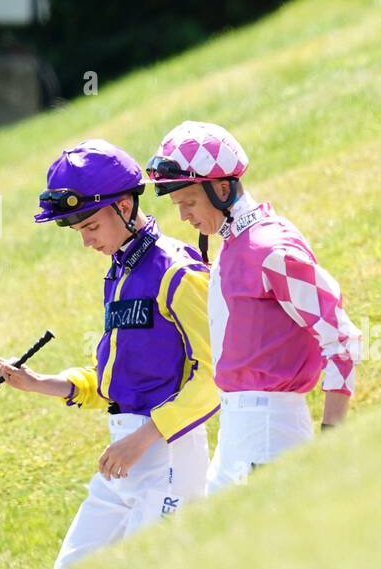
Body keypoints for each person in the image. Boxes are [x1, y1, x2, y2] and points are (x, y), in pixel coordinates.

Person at [0, 139, 218, 569]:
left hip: (167, 456)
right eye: (77, 231)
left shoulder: (179, 272)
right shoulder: (120, 274)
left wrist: (142, 439)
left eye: (89, 226)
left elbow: (215, 377)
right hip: (123, 461)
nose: (86, 241)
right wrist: (39, 382)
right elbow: (116, 381)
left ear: (124, 206)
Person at [145, 121, 360, 495]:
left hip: (268, 435)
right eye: (179, 206)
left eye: (189, 203)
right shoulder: (234, 244)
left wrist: (332, 437)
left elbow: (341, 337)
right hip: (237, 435)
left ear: (223, 188)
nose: (183, 217)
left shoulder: (269, 248)